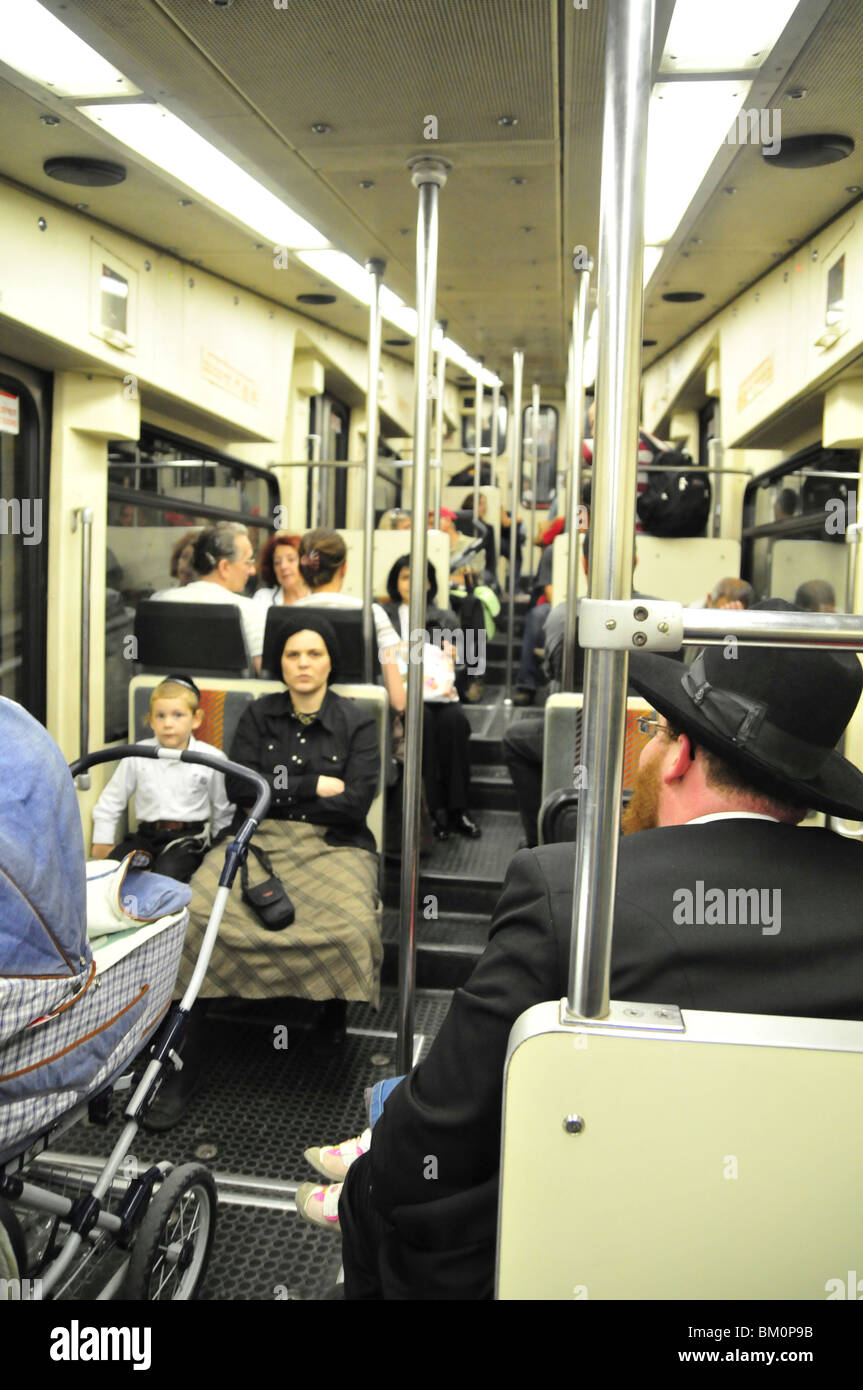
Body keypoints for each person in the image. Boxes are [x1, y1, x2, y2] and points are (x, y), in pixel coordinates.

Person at [316, 599, 863, 1297]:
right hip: (780, 1265)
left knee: (392, 1144)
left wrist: (375, 1182)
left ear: (680, 756)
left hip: (559, 1253)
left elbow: (439, 1135)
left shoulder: (571, 891)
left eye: (660, 733)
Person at [155, 615, 383, 1128]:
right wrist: (314, 785)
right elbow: (241, 789)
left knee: (349, 923)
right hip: (258, 837)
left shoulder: (357, 721)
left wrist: (283, 789)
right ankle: (185, 1053)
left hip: (334, 844)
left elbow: (355, 803)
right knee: (196, 915)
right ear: (279, 662)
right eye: (292, 656)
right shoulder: (259, 715)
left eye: (314, 655)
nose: (303, 665)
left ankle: (330, 1009)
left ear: (330, 662)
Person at [90, 675, 233, 881]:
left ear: (196, 719)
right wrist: (102, 840)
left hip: (188, 839)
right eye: (160, 716)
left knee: (166, 875)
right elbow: (112, 800)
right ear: (150, 720)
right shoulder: (137, 754)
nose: (168, 724)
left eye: (177, 715)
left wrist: (220, 851)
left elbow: (223, 810)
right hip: (145, 836)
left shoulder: (211, 759)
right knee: (115, 872)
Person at [380, 556, 481, 841]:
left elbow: (464, 669)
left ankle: (458, 809)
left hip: (440, 694)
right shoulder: (384, 615)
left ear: (429, 584)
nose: (411, 584)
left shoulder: (444, 618)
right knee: (421, 722)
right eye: (404, 577)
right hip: (401, 697)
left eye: (418, 578)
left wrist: (456, 658)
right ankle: (432, 810)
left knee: (454, 722)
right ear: (395, 582)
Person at [292, 528, 406, 714]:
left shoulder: (284, 616)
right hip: (358, 720)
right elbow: (398, 700)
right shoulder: (372, 614)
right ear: (344, 569)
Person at [156, 521, 265, 675]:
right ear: (224, 567)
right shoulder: (250, 611)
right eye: (248, 562)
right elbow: (265, 674)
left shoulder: (160, 602)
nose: (252, 570)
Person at [253, 531, 309, 607]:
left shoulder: (320, 598)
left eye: (291, 559)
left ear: (305, 562)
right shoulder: (263, 599)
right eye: (277, 562)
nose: (283, 566)